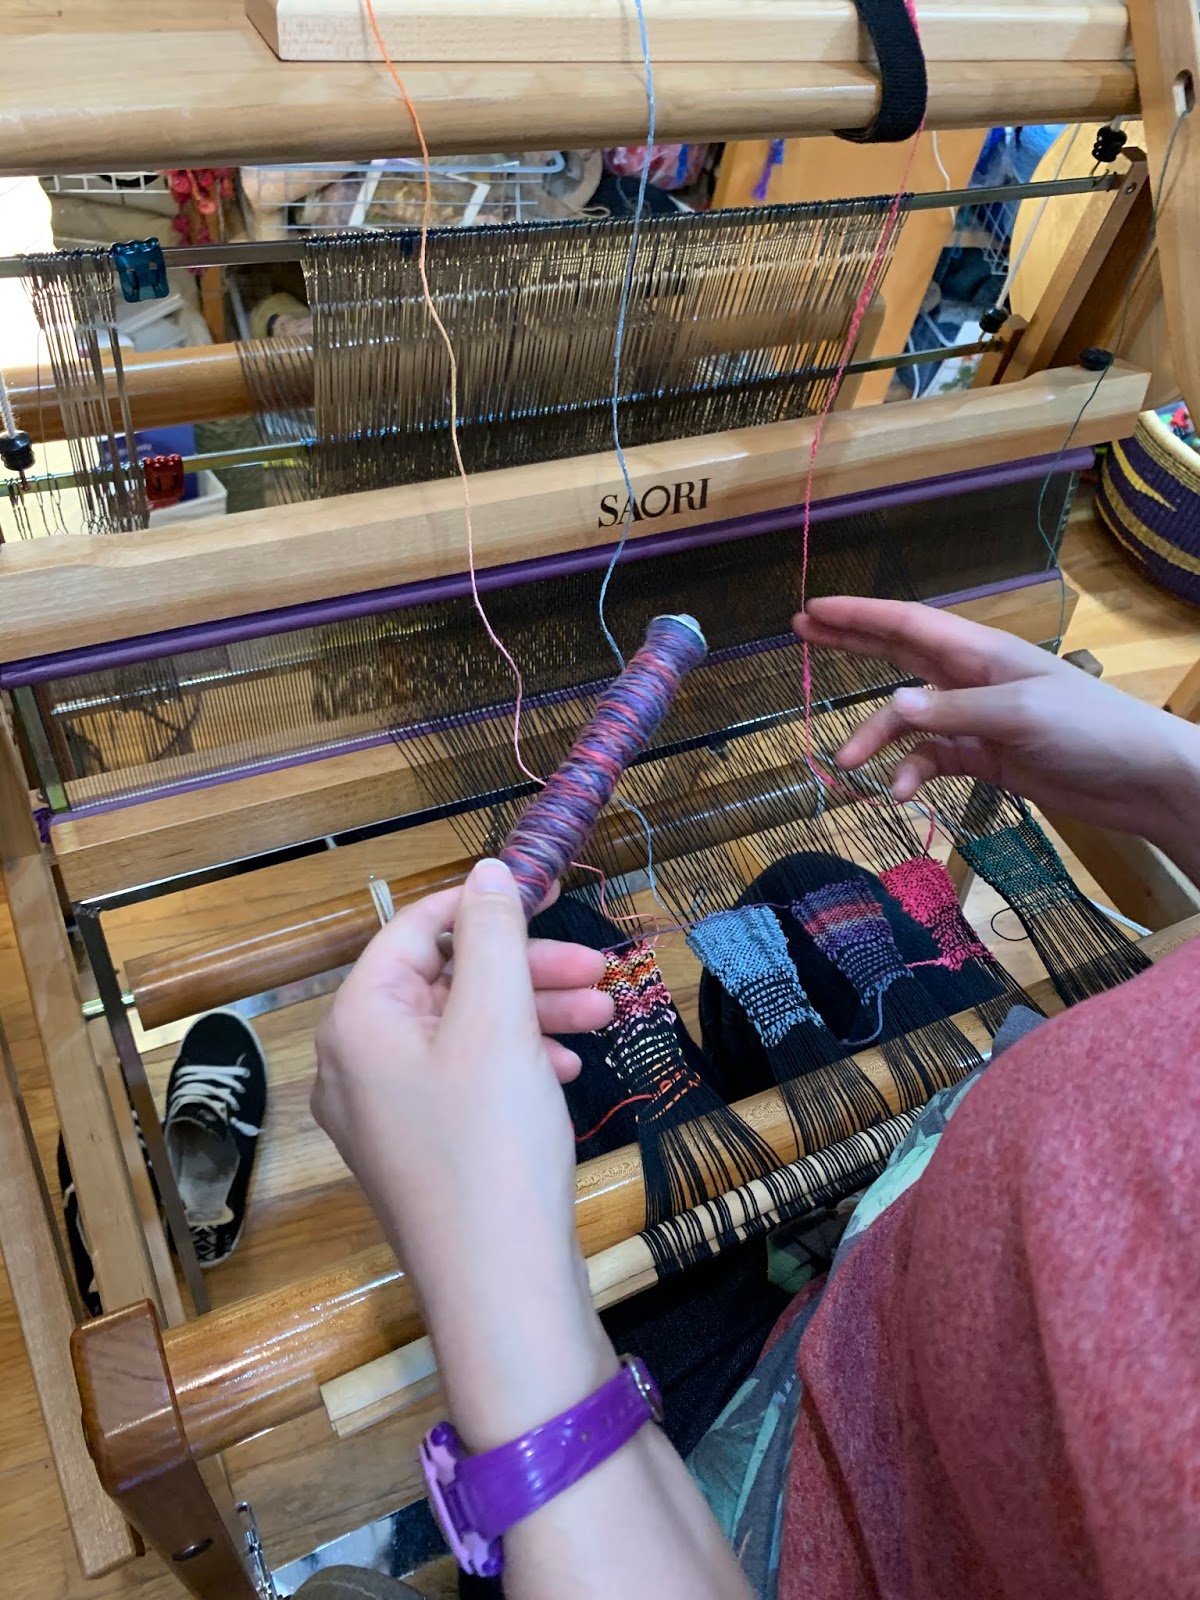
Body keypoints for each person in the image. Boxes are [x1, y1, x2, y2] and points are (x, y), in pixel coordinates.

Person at [310, 599, 1200, 1600]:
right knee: (809, 884)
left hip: (771, 1496)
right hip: (937, 1186)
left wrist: (477, 1260)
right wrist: (1179, 779)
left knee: (552, 952)